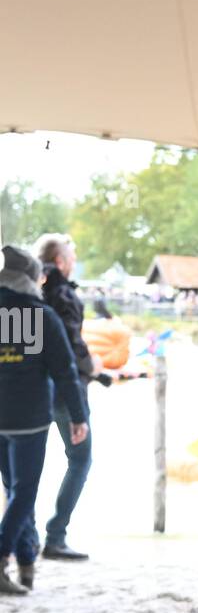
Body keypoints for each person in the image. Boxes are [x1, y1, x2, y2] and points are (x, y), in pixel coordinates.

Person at [0, 246, 88, 594]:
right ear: (30, 278)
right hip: (30, 418)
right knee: (25, 491)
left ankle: (25, 562)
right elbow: (64, 370)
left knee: (13, 490)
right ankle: (4, 553)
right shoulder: (40, 315)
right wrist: (78, 417)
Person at [35, 233, 100, 560]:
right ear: (60, 261)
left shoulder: (30, 295)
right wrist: (94, 365)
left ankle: (26, 535)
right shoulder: (63, 295)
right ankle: (56, 534)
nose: (74, 263)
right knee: (80, 458)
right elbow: (72, 346)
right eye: (72, 258)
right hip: (67, 389)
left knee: (27, 463)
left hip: (33, 389)